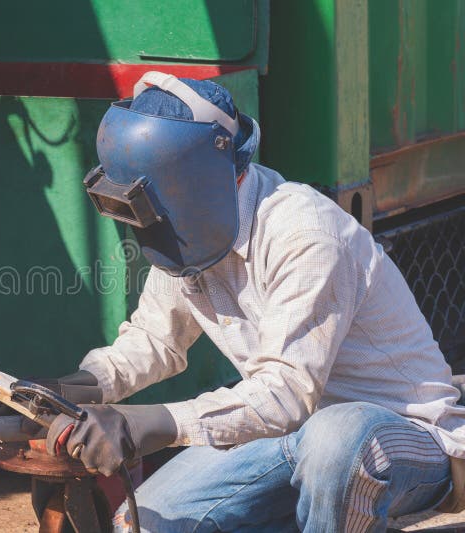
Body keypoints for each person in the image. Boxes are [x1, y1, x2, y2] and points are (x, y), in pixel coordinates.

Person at [43, 72, 465, 532]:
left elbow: (284, 394)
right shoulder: (192, 230)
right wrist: (75, 387)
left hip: (406, 438)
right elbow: (154, 339)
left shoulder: (305, 234)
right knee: (144, 525)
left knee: (336, 439)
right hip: (290, 436)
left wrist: (149, 423)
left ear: (190, 180)